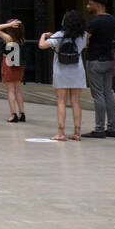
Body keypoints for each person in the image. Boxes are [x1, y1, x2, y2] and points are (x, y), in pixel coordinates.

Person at [39, 9, 88, 141]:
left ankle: (61, 133)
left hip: (61, 71)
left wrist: (44, 35)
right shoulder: (83, 35)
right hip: (77, 71)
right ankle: (77, 132)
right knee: (76, 102)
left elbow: (42, 45)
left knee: (61, 102)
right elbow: (84, 46)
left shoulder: (59, 35)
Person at [83, 0, 115, 138]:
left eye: (90, 4)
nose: (88, 6)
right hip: (109, 61)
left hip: (95, 60)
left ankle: (99, 129)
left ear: (98, 5)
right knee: (108, 93)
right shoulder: (112, 20)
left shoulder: (94, 22)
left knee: (98, 94)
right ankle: (111, 128)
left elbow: (85, 40)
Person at [0, 19, 26, 123]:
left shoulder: (8, 38)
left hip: (8, 64)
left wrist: (9, 24)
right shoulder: (21, 39)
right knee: (18, 90)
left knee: (10, 90)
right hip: (18, 65)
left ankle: (13, 114)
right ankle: (22, 113)